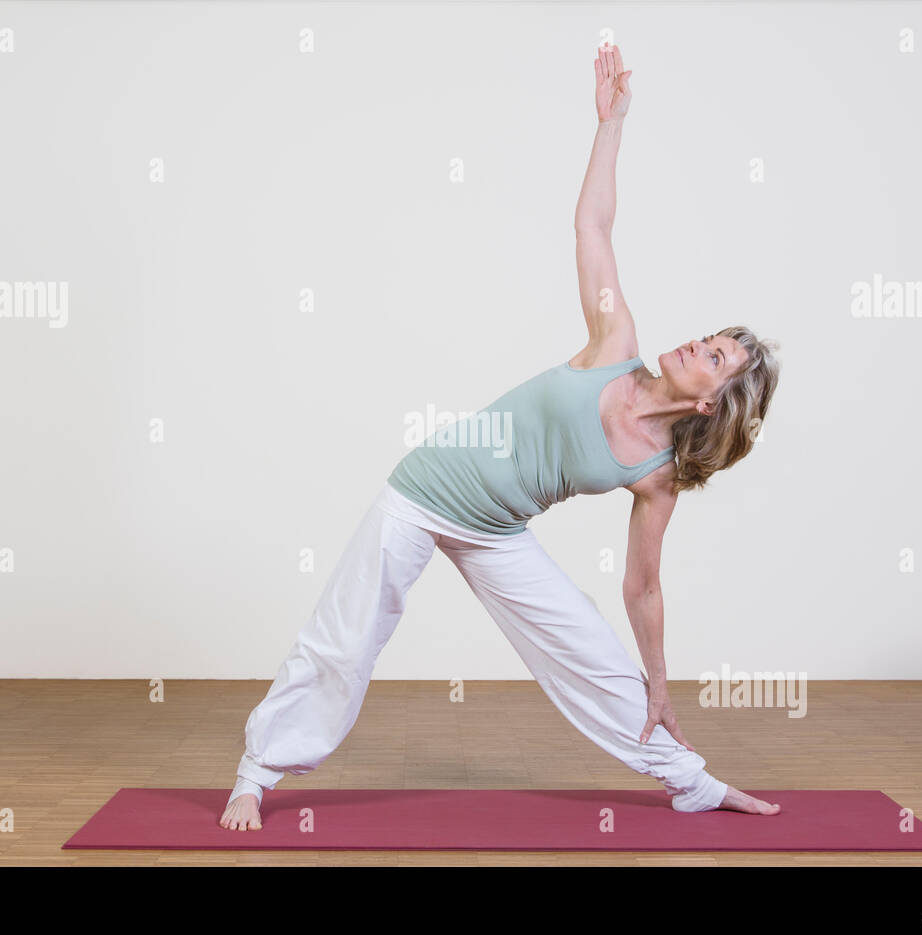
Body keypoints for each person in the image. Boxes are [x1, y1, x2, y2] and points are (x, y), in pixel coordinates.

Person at [220, 42, 781, 831]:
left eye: (715, 356)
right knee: (345, 643)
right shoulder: (614, 338)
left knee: (590, 649)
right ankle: (257, 773)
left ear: (712, 405)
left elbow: (642, 588)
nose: (698, 344)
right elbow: (592, 222)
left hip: (494, 529)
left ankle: (687, 779)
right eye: (710, 335)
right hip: (423, 492)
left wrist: (660, 678)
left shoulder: (656, 472)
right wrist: (612, 121)